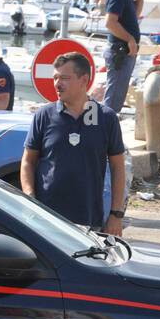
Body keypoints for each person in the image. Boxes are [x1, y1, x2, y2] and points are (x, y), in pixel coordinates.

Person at [20, 52, 126, 234]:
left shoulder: (106, 118)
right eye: (55, 78)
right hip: (47, 219)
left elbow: (118, 167)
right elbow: (28, 161)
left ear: (84, 80)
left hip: (88, 220)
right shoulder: (44, 116)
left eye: (64, 78)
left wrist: (116, 215)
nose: (57, 84)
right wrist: (30, 198)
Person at [103, 0, 144, 113]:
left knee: (117, 98)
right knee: (113, 100)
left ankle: (107, 133)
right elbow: (110, 22)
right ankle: (104, 134)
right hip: (119, 51)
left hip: (125, 51)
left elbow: (136, 13)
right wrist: (130, 39)